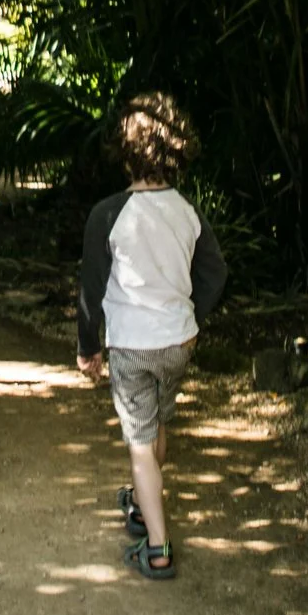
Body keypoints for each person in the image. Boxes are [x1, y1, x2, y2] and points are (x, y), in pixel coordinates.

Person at [75, 93, 226, 580]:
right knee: (158, 424)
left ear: (125, 152)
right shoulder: (188, 212)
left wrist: (87, 347)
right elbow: (215, 273)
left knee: (139, 442)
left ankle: (157, 547)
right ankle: (145, 502)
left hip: (132, 346)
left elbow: (91, 287)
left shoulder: (109, 215)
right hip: (177, 344)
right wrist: (191, 317)